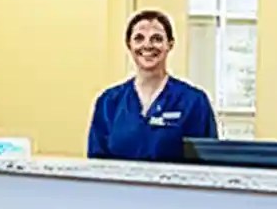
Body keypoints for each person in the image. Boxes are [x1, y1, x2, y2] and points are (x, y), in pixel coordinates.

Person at [87, 9, 218, 162]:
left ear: (170, 44)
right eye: (139, 38)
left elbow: (208, 164)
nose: (147, 45)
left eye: (156, 39)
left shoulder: (194, 102)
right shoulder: (109, 102)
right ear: (129, 45)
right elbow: (96, 165)